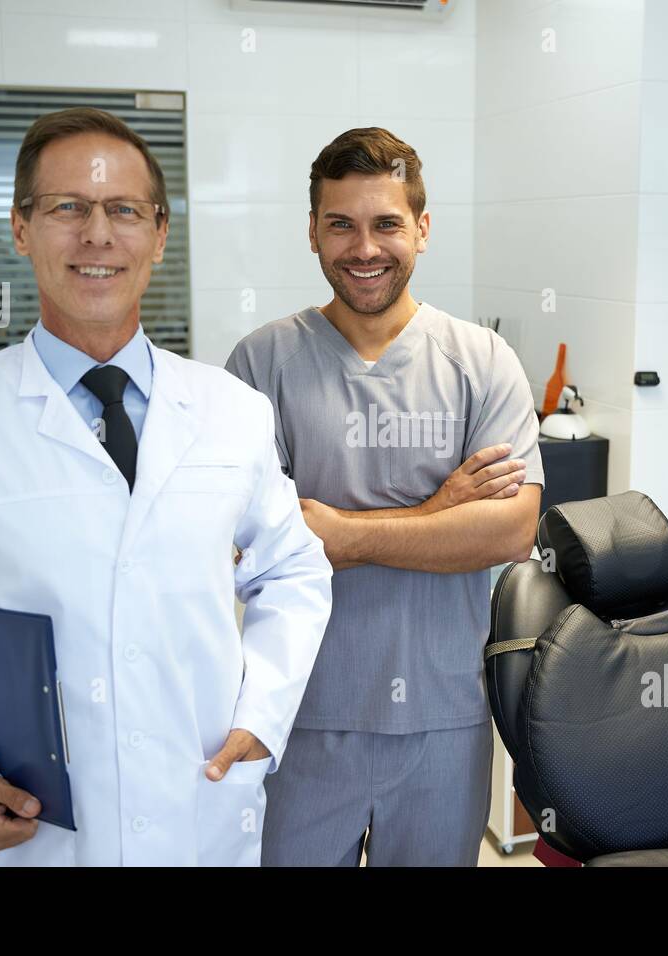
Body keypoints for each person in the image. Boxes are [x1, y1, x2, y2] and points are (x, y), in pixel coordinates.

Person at [0, 108, 332, 866]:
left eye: (124, 210)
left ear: (159, 234)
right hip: (40, 835)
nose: (98, 235)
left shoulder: (232, 411)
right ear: (21, 228)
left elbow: (293, 570)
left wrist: (264, 712)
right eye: (68, 207)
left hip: (203, 814)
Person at [226, 127, 544, 866]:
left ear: (422, 230)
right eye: (340, 224)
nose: (363, 247)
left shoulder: (480, 361)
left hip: (443, 719)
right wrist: (437, 514)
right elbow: (250, 546)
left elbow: (509, 531)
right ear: (312, 232)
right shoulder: (261, 363)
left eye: (386, 224)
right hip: (298, 713)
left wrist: (345, 533)